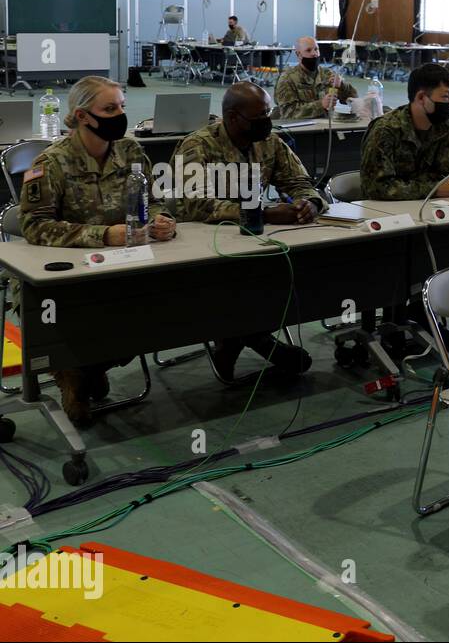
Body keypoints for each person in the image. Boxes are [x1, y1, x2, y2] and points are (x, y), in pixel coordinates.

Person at [19, 76, 176, 426]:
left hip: (125, 262)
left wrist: (163, 219)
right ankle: (72, 371)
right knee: (75, 315)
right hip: (61, 273)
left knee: (160, 308)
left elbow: (156, 200)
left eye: (121, 106)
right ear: (82, 116)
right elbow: (33, 226)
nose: (119, 114)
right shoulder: (52, 162)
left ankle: (89, 367)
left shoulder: (131, 151)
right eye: (109, 108)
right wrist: (103, 235)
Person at [173, 82, 324, 381]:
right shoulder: (197, 146)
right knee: (246, 285)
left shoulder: (270, 142)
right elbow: (193, 204)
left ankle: (243, 338)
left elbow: (299, 182)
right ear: (231, 117)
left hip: (257, 241)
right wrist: (262, 213)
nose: (266, 121)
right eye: (258, 117)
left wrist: (311, 203)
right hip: (207, 246)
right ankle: (254, 339)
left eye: (268, 113)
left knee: (287, 275)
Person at [360, 63, 449, 200]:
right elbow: (377, 187)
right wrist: (432, 189)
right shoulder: (385, 130)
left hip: (432, 206)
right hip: (387, 212)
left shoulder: (443, 126)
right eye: (445, 97)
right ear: (421, 98)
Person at [274, 36, 358, 119]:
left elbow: (354, 100)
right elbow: (287, 113)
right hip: (300, 129)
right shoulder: (287, 79)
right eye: (308, 50)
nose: (314, 53)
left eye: (316, 49)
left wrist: (342, 85)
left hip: (326, 126)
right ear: (298, 54)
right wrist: (320, 105)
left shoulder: (327, 74)